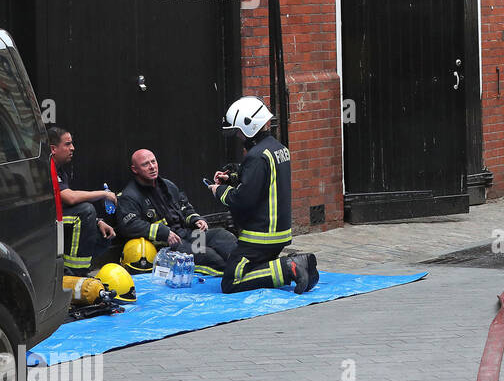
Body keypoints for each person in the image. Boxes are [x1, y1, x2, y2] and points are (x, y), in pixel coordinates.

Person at [209, 96, 317, 294]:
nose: (238, 136)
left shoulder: (257, 156)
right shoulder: (277, 148)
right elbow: (261, 181)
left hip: (261, 236)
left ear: (248, 127)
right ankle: (295, 267)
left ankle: (289, 267)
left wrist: (219, 191)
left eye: (238, 132)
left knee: (231, 281)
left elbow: (243, 199)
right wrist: (232, 176)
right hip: (278, 232)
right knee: (251, 269)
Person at [116, 149, 238, 277]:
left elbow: (185, 207)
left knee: (222, 236)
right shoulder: (129, 196)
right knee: (210, 256)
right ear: (135, 169)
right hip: (168, 248)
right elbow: (129, 226)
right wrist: (164, 232)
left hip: (187, 236)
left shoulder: (167, 186)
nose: (152, 167)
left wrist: (196, 219)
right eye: (145, 164)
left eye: (153, 161)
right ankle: (231, 275)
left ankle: (240, 266)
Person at [48, 125, 116, 275]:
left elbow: (67, 204)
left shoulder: (61, 169)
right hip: (42, 221)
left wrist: (98, 221)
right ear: (53, 149)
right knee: (85, 212)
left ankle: (79, 267)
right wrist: (104, 194)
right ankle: (74, 274)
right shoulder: (47, 167)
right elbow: (69, 198)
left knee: (103, 236)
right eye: (67, 144)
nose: (72, 148)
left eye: (72, 143)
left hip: (58, 217)